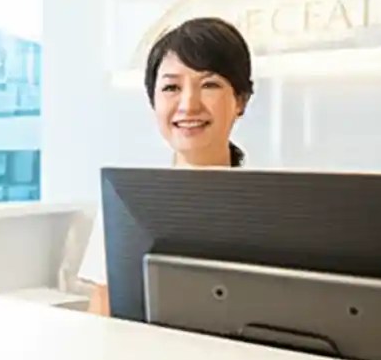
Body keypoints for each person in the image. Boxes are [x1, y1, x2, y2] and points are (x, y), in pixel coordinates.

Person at [78, 17, 254, 315]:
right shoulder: (126, 204)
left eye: (209, 84)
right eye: (171, 87)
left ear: (241, 100)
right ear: (153, 101)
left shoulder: (265, 206)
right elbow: (103, 311)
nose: (188, 104)